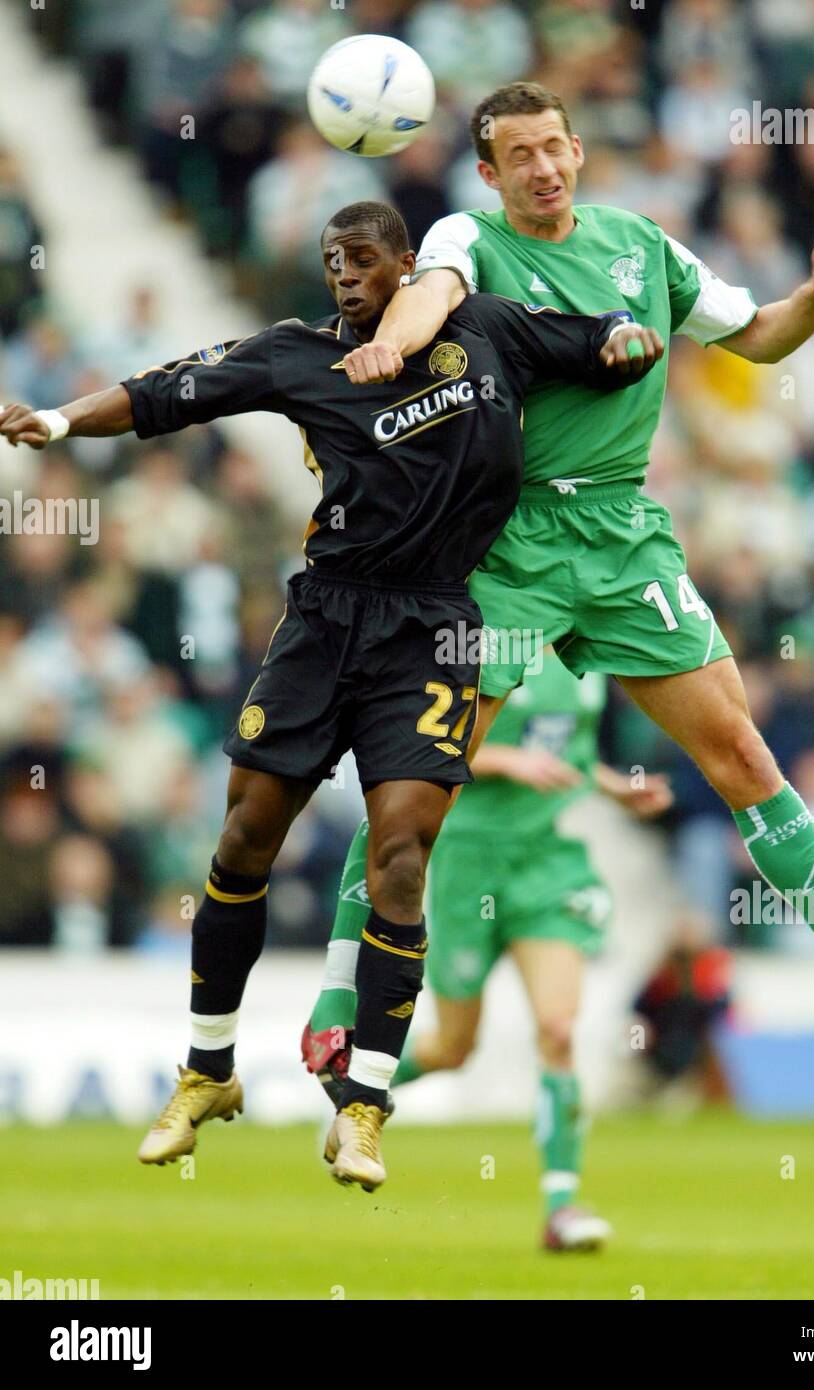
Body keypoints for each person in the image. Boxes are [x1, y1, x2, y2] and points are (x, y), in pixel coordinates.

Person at [302, 85, 814, 1081]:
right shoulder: (466, 237)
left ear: (577, 149)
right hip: (506, 542)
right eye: (517, 155)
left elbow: (761, 334)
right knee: (418, 781)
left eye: (553, 148)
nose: (541, 168)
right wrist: (396, 339)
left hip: (621, 539)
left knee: (742, 751)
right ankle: (336, 997)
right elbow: (433, 290)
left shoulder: (644, 246)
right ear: (490, 174)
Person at [0, 200, 663, 1191]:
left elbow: (598, 340)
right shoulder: (297, 353)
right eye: (330, 262)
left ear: (406, 265)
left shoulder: (484, 329)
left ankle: (364, 1105)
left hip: (437, 625)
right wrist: (57, 418)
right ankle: (207, 1067)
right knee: (242, 839)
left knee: (402, 851)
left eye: (360, 260)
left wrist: (626, 335)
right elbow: (169, 391)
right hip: (325, 622)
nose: (343, 276)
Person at [390, 651, 673, 1251]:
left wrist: (616, 789)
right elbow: (415, 746)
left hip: (547, 864)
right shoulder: (479, 643)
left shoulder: (587, 662)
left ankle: (561, 1207)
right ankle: (360, 1090)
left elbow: (568, 756)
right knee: (452, 1046)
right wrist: (501, 760)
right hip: (469, 863)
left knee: (558, 1028)